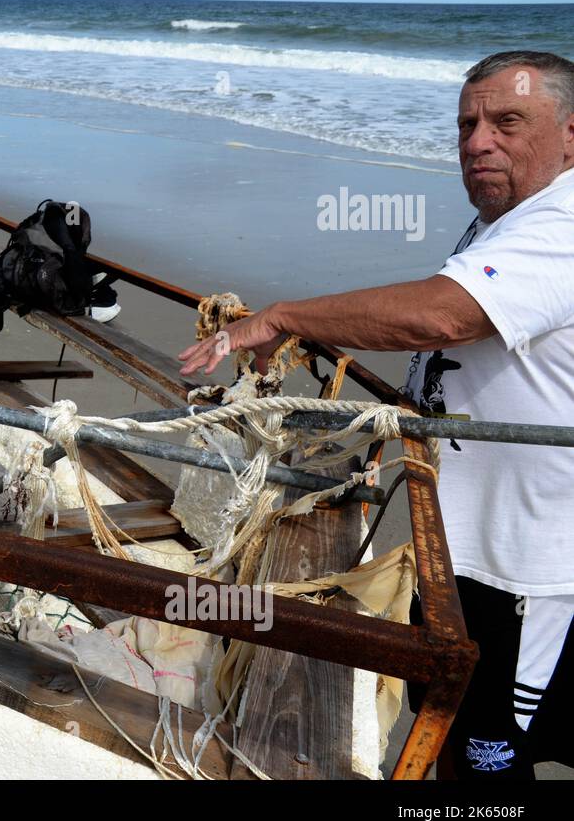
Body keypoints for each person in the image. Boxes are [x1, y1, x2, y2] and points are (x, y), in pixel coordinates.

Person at [178, 51, 574, 780]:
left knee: (489, 757)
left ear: (572, 135)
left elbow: (438, 315)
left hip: (526, 569)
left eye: (507, 122)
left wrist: (281, 318)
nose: (478, 141)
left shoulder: (563, 224)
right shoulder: (501, 221)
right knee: (448, 728)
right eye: (467, 123)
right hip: (461, 550)